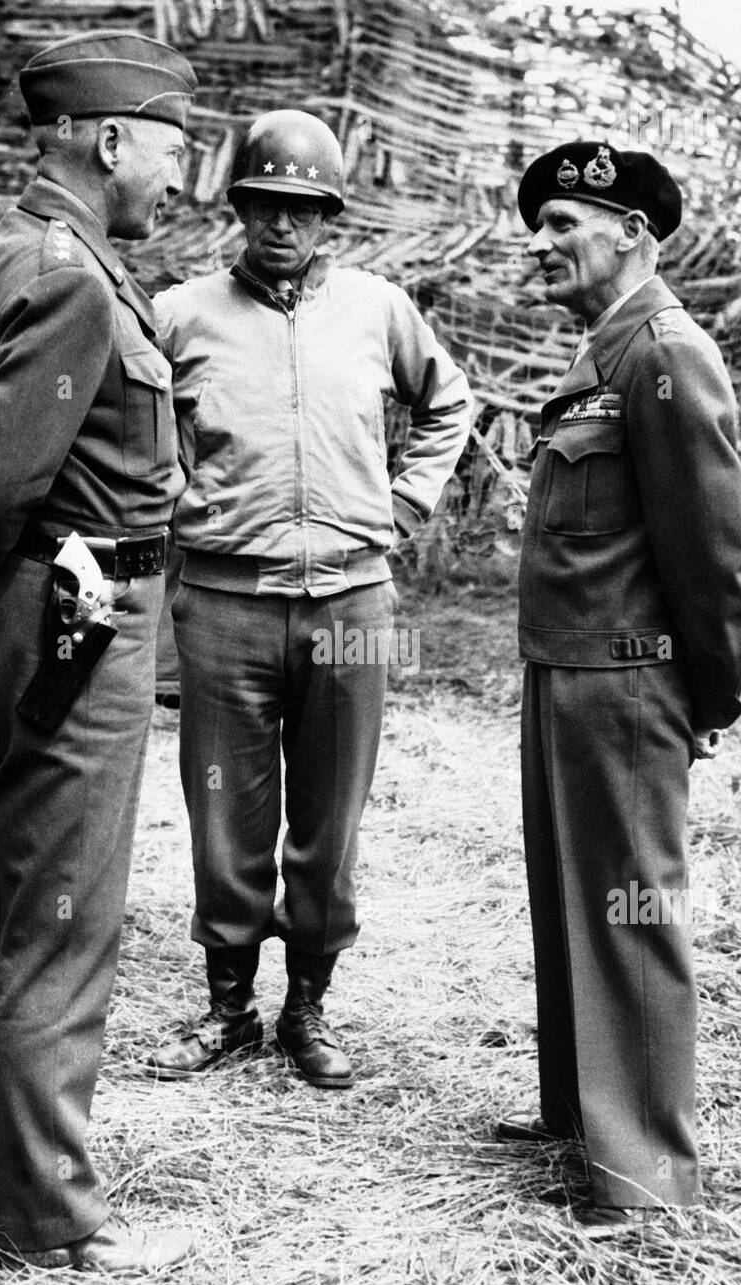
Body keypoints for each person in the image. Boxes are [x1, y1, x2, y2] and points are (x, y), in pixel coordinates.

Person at [0, 30, 198, 1273]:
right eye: (169, 147)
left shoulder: (12, 251)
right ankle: (49, 1224)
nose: (178, 178)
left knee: (18, 906)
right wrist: (18, 630)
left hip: (40, 609)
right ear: (107, 141)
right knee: (64, 917)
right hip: (73, 615)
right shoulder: (72, 277)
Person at [149, 110, 472, 1088]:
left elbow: (446, 401)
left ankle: (309, 1006)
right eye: (265, 203)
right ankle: (227, 1006)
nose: (282, 223)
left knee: (330, 822)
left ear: (328, 216)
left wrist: (402, 505)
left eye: (303, 207)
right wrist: (179, 496)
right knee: (223, 818)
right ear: (238, 206)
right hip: (221, 606)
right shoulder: (178, 314)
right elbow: (135, 430)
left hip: (349, 610)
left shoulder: (378, 309)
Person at [498, 141, 741, 1235]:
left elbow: (714, 549)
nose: (543, 246)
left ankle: (647, 1170)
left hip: (627, 685)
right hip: (566, 676)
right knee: (573, 904)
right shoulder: (603, 352)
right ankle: (582, 1118)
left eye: (564, 225)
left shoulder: (662, 351)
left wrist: (707, 698)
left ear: (633, 237)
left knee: (629, 911)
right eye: (542, 227)